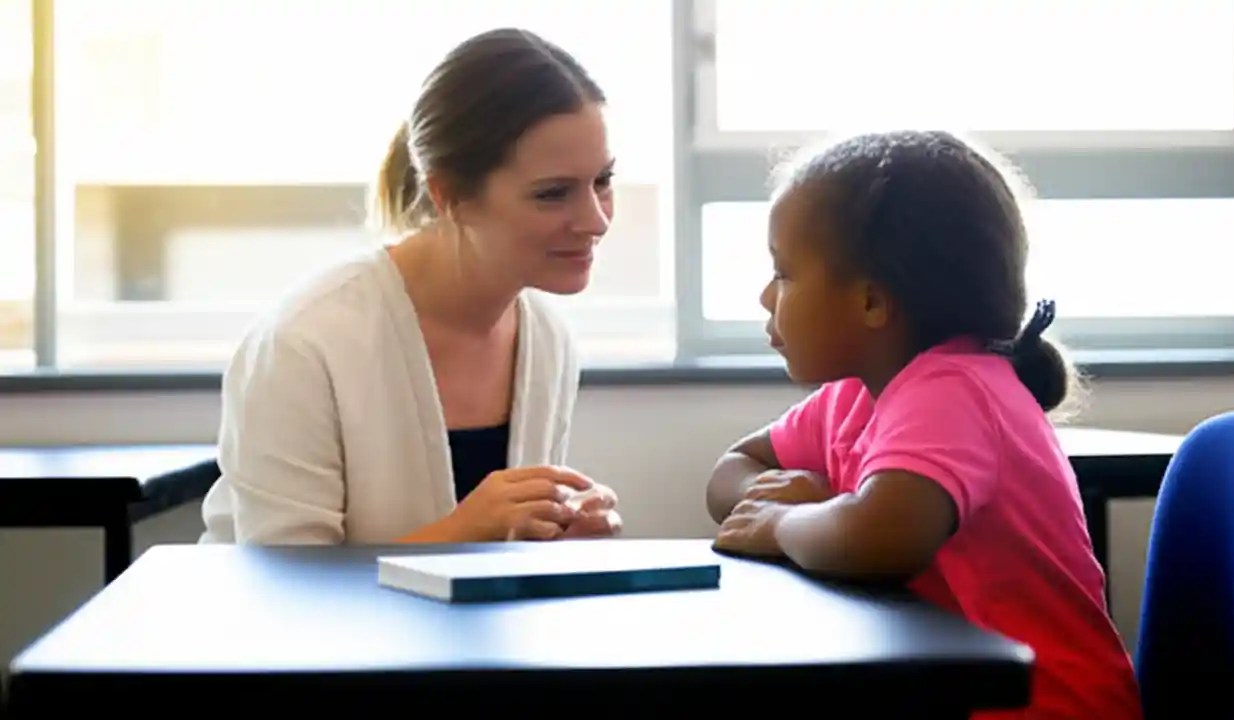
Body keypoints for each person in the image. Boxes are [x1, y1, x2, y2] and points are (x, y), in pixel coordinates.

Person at [705, 131, 1140, 718]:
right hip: (945, 692)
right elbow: (731, 473)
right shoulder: (852, 397)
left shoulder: (953, 392)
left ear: (871, 303)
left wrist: (786, 522)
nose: (764, 296)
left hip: (1041, 705)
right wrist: (793, 506)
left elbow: (880, 540)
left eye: (784, 273)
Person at [200, 28, 622, 545]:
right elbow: (289, 592)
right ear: (450, 196)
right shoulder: (306, 343)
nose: (596, 220)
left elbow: (492, 571)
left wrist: (559, 533)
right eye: (553, 194)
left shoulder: (548, 339)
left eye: (602, 180)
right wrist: (465, 531)